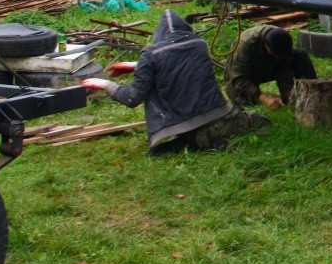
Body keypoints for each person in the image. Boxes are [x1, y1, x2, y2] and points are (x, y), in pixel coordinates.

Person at [82, 10, 270, 155]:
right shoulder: (199, 44)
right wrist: (137, 65)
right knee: (260, 122)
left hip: (180, 128)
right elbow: (177, 61)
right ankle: (211, 142)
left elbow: (133, 98)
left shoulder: (151, 54)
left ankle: (192, 142)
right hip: (219, 119)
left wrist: (107, 85)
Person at [223, 25, 317, 109]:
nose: (279, 57)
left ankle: (313, 92)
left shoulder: (282, 38)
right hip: (244, 73)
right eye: (276, 55)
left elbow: (284, 71)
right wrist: (265, 99)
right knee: (244, 101)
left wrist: (289, 98)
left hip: (268, 66)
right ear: (266, 46)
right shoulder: (246, 44)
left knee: (301, 55)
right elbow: (239, 79)